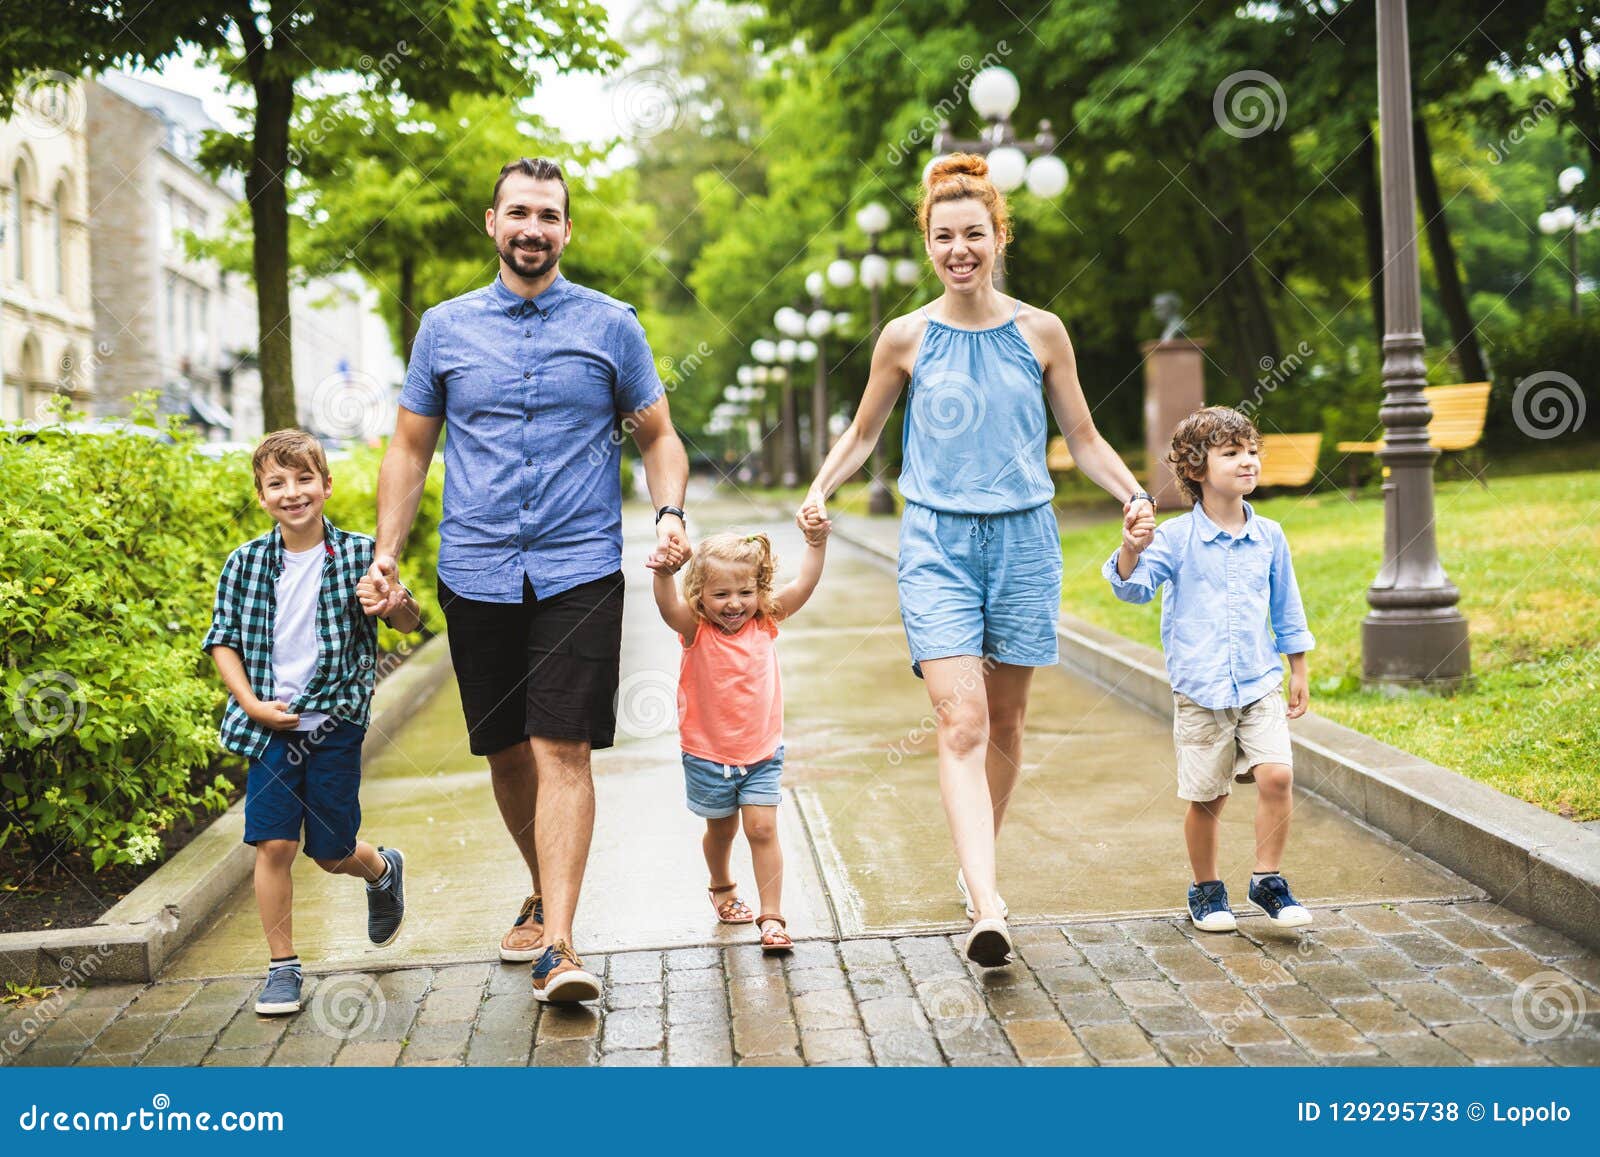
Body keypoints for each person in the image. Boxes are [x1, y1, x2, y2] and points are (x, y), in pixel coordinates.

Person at [798, 154, 1155, 967]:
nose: (960, 248)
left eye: (974, 234)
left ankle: (975, 869)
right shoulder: (905, 338)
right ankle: (988, 901)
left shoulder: (1042, 332)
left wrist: (1135, 493)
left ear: (999, 236)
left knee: (1008, 722)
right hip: (937, 544)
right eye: (943, 236)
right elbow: (861, 435)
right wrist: (821, 486)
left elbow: (1085, 439)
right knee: (962, 720)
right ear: (928, 244)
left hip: (1025, 540)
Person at [367, 157, 689, 1004]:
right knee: (506, 749)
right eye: (520, 213)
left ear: (567, 230)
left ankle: (564, 946)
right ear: (493, 222)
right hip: (476, 570)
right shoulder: (442, 328)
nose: (533, 229)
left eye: (549, 215)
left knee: (563, 747)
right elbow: (409, 446)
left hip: (580, 563)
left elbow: (659, 436)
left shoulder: (612, 324)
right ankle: (543, 888)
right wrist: (386, 550)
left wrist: (668, 513)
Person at [203, 429, 420, 1016]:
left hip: (334, 726)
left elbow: (407, 622)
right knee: (273, 843)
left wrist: (392, 600)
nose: (292, 492)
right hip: (271, 728)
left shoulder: (358, 555)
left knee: (329, 851)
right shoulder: (245, 564)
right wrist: (250, 703)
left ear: (326, 485)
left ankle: (380, 868)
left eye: (304, 480)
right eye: (277, 483)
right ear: (261, 495)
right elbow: (221, 640)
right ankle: (282, 966)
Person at [1105, 405, 1316, 932]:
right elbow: (1131, 587)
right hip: (1200, 691)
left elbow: (1287, 606)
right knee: (1209, 797)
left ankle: (1268, 880)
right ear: (1197, 470)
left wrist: (1299, 669)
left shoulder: (1270, 534)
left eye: (1251, 452)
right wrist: (1132, 547)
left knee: (1277, 775)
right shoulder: (1174, 539)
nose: (1247, 462)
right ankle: (1206, 890)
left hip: (1260, 682)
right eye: (1231, 454)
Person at [648, 527, 828, 954]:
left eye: (745, 591)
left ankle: (772, 918)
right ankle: (723, 885)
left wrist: (816, 545)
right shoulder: (695, 629)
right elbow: (667, 605)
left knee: (762, 829)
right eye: (721, 594)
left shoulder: (765, 620)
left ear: (760, 589)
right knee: (722, 830)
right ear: (701, 595)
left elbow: (804, 584)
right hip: (707, 755)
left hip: (761, 753)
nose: (734, 604)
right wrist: (664, 574)